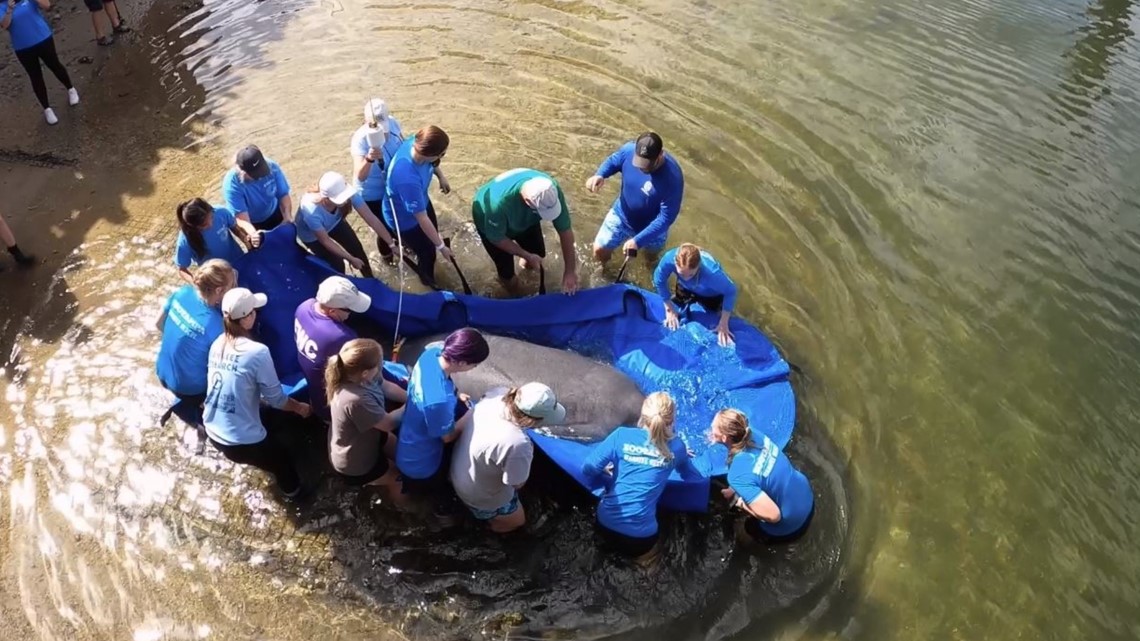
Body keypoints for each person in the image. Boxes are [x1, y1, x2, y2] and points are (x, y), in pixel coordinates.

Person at [203, 287, 312, 498]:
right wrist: (302, 408)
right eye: (254, 311)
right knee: (282, 463)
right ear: (246, 319)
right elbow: (277, 399)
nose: (257, 314)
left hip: (212, 427)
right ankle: (297, 496)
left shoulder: (218, 343)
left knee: (269, 423)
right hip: (240, 441)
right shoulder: (257, 352)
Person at [581, 392, 703, 559]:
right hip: (641, 537)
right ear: (672, 420)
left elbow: (588, 468)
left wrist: (604, 470)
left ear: (642, 415)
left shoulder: (621, 435)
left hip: (605, 523)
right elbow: (692, 476)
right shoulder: (677, 447)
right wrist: (679, 456)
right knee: (649, 566)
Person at [450, 383, 565, 533]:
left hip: (456, 471)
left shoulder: (496, 394)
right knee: (516, 521)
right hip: (477, 495)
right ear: (532, 421)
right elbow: (516, 483)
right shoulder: (518, 443)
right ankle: (487, 530)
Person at [396, 328, 489, 511]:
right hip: (422, 463)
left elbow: (441, 382)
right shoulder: (438, 401)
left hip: (408, 438)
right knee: (434, 499)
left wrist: (456, 395)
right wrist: (475, 411)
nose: (474, 368)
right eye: (474, 365)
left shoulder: (432, 355)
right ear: (462, 362)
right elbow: (447, 437)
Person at [294, 275, 407, 422]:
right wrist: (408, 395)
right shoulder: (340, 337)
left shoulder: (304, 307)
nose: (350, 314)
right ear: (332, 311)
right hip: (336, 406)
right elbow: (379, 380)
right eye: (348, 310)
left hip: (316, 397)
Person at [155, 259, 236, 439]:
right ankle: (204, 407)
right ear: (219, 291)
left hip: (161, 371)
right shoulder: (216, 324)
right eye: (231, 285)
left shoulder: (182, 293)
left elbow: (158, 324)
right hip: (190, 389)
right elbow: (226, 368)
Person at [711, 409, 814, 544]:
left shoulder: (736, 476)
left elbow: (774, 516)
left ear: (724, 438)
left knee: (742, 532)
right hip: (806, 496)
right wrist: (734, 489)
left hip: (791, 524)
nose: (711, 429)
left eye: (713, 428)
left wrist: (741, 503)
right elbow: (754, 471)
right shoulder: (753, 434)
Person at [471, 168, 579, 294]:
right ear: (528, 202)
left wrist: (570, 271)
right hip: (489, 220)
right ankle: (516, 293)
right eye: (543, 212)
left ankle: (525, 268)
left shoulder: (550, 189)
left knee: (538, 256)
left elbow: (565, 230)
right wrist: (525, 254)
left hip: (523, 218)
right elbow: (497, 238)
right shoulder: (497, 205)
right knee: (508, 276)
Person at [584, 132, 684, 264]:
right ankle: (604, 272)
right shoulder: (628, 150)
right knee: (599, 250)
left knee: (651, 260)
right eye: (639, 162)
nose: (642, 167)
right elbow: (613, 161)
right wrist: (600, 175)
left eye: (647, 164)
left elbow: (666, 218)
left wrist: (638, 241)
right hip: (621, 215)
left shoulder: (673, 178)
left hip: (653, 227)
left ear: (661, 154)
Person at [350, 97, 429, 262]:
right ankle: (387, 258)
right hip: (373, 194)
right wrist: (369, 159)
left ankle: (407, 245)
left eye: (384, 126)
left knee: (402, 221)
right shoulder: (360, 140)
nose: (383, 132)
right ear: (366, 122)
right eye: (377, 127)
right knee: (384, 227)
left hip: (392, 185)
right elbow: (360, 175)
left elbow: (405, 145)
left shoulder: (393, 123)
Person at [325, 339, 405, 496]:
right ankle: (407, 509)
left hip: (370, 434)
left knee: (402, 451)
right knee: (398, 479)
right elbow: (389, 423)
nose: (381, 365)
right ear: (365, 373)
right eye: (378, 364)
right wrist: (412, 406)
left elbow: (386, 386)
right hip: (353, 463)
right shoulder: (355, 399)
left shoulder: (362, 375)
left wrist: (410, 397)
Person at [382, 125, 453, 288]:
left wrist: (441, 176)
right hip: (405, 220)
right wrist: (441, 247)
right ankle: (429, 284)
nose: (443, 156)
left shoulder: (418, 140)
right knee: (427, 253)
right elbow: (421, 218)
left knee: (432, 239)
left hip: (422, 202)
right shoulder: (407, 177)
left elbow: (434, 162)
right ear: (428, 154)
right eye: (442, 154)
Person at [295, 171, 397, 277]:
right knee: (337, 264)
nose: (345, 202)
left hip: (335, 223)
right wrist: (350, 259)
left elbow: (371, 219)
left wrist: (391, 244)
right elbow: (325, 241)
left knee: (357, 249)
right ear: (326, 198)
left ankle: (369, 279)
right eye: (341, 199)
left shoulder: (349, 193)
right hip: (311, 236)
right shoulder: (311, 211)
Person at [2, 0, 79, 125]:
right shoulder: (2, 5)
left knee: (55, 65)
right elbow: (5, 25)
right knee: (35, 76)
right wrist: (9, 10)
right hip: (22, 47)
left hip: (43, 38)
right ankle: (47, 109)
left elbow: (47, 5)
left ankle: (71, 89)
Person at [652, 243, 738, 346]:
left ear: (699, 265)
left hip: (711, 295)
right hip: (685, 287)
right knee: (676, 306)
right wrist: (669, 308)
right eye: (681, 273)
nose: (686, 278)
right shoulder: (669, 258)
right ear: (675, 262)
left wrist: (724, 322)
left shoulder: (712, 273)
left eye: (691, 274)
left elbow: (731, 291)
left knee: (716, 316)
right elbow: (658, 280)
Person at [174, 198, 259, 284]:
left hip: (239, 262)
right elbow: (182, 269)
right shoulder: (185, 240)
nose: (210, 224)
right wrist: (195, 283)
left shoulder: (221, 212)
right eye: (204, 225)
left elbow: (235, 228)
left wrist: (245, 240)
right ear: (193, 226)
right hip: (218, 279)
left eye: (211, 217)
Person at [222, 145, 293, 231]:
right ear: (242, 172)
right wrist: (253, 234)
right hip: (252, 222)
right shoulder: (232, 184)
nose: (260, 177)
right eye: (256, 175)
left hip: (274, 210)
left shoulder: (272, 166)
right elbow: (241, 216)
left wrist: (287, 215)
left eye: (262, 171)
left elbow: (283, 194)